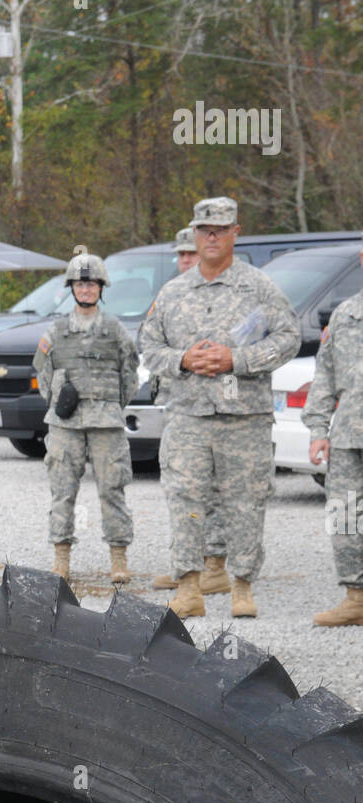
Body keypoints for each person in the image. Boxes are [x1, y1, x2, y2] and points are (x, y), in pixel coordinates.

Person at [139, 197, 300, 619]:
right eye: (204, 230)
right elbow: (149, 345)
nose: (211, 237)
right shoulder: (173, 292)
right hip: (189, 416)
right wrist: (183, 360)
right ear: (194, 233)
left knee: (247, 501)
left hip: (244, 417)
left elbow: (288, 338)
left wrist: (237, 360)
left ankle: (241, 586)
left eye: (220, 229)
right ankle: (190, 587)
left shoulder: (259, 287)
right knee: (185, 499)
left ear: (235, 233)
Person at [33, 245, 139, 586]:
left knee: (113, 489)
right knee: (63, 490)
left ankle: (118, 558)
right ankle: (61, 557)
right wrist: (57, 404)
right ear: (72, 290)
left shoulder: (115, 330)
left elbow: (130, 375)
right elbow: (43, 373)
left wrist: (112, 405)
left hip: (106, 422)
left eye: (92, 284)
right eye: (80, 285)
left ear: (101, 288)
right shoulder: (56, 332)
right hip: (66, 423)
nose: (86, 289)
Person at [152, 225, 230, 597]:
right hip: (179, 406)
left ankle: (214, 565)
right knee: (180, 486)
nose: (186, 260)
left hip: (216, 408)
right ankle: (187, 563)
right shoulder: (170, 297)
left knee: (213, 487)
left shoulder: (220, 297)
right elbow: (152, 347)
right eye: (181, 255)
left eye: (191, 254)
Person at [303, 236, 363, 625]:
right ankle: (356, 597)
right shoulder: (346, 314)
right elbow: (324, 376)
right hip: (348, 436)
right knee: (344, 515)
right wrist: (318, 429)